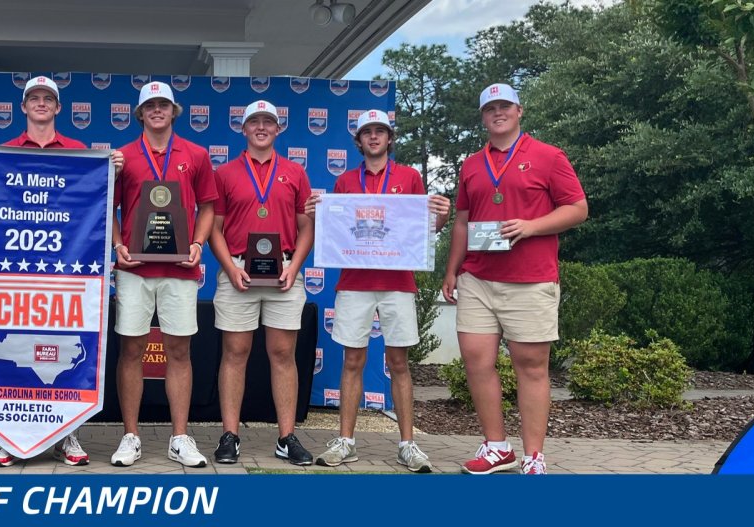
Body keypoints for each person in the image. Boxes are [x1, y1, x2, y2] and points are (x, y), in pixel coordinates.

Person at [441, 83, 587, 475]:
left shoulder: (548, 156)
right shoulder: (471, 164)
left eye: (504, 106)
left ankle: (534, 455)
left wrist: (531, 226)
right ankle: (496, 447)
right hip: (478, 277)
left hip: (530, 278)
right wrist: (452, 269)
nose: (497, 113)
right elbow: (462, 220)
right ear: (483, 116)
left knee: (531, 365)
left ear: (519, 111)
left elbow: (577, 208)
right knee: (477, 361)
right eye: (490, 108)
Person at [0, 75, 124, 468]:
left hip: (68, 268)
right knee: (16, 348)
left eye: (49, 98)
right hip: (18, 266)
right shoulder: (5, 151)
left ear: (58, 107)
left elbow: (93, 205)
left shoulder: (79, 152)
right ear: (24, 107)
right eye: (35, 98)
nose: (42, 104)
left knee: (61, 347)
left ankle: (66, 433)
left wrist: (111, 167)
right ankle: (7, 435)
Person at [304, 110, 451, 472]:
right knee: (352, 361)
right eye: (367, 132)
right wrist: (315, 215)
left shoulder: (409, 177)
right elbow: (337, 232)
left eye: (380, 132)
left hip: (397, 283)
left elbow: (423, 230)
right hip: (354, 283)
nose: (373, 137)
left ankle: (407, 444)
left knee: (399, 363)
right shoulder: (344, 181)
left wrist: (442, 216)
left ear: (389, 138)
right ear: (358, 140)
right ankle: (346, 441)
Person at [110, 81, 217, 468]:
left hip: (179, 269)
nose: (157, 110)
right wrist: (118, 244)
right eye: (150, 105)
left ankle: (180, 437)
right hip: (134, 269)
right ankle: (130, 436)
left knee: (179, 351)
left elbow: (207, 207)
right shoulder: (121, 157)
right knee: (132, 351)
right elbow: (108, 206)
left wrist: (198, 244)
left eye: (164, 105)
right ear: (140, 113)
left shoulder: (197, 154)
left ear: (174, 111)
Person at [208, 100, 314, 466]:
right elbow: (214, 230)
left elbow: (305, 228)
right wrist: (230, 268)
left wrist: (295, 267)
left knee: (283, 355)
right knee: (235, 353)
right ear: (243, 128)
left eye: (269, 122)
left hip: (283, 272)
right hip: (239, 271)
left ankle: (286, 437)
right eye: (255, 121)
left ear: (279, 129)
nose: (262, 127)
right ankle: (229, 435)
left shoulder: (295, 172)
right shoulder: (224, 173)